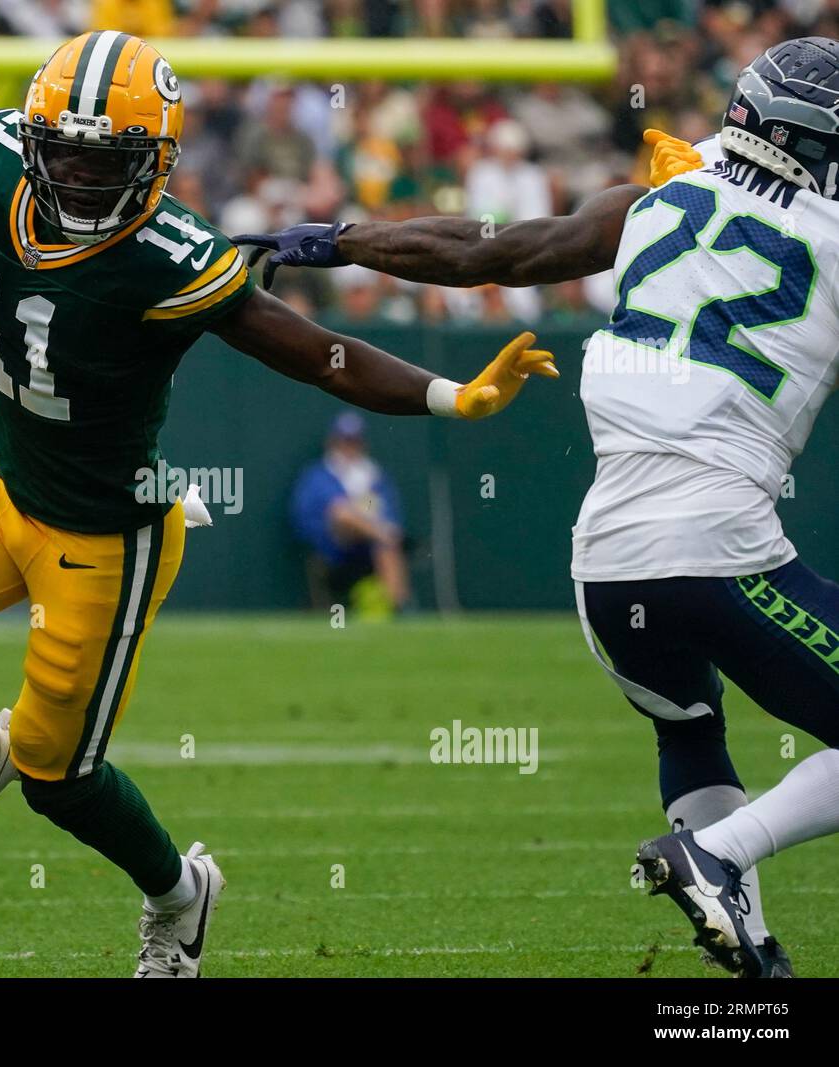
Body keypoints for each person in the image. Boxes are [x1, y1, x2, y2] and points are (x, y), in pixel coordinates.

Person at [0, 30, 557, 978]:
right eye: (59, 150)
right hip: (3, 491)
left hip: (108, 538)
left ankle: (179, 895)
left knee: (59, 781)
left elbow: (318, 351)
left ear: (153, 165)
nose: (72, 175)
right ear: (32, 137)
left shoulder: (174, 256)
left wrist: (451, 395)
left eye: (99, 158)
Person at [234, 37, 839, 978]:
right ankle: (719, 852)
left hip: (602, 568)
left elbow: (492, 252)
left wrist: (332, 239)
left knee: (689, 729)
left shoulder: (651, 202)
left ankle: (756, 966)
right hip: (717, 546)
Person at [291, 411, 411, 614]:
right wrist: (379, 529)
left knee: (385, 545)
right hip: (333, 547)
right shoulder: (319, 475)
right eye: (344, 441)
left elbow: (388, 514)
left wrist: (379, 529)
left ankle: (399, 609)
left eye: (354, 441)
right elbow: (331, 514)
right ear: (333, 442)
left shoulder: (373, 476)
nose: (349, 447)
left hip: (369, 546)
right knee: (346, 516)